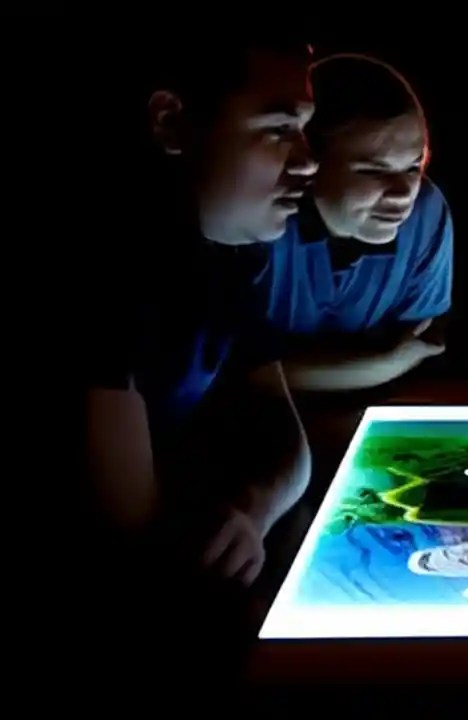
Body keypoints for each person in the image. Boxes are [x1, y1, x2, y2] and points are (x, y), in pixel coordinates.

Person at [83, 38, 317, 588]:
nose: (309, 159)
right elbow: (136, 536)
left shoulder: (232, 256)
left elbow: (283, 437)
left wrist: (251, 514)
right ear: (171, 124)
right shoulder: (102, 279)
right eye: (279, 128)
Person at [257, 53, 453, 392]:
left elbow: (425, 346)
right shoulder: (258, 219)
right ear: (308, 163)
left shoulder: (425, 213)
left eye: (413, 167)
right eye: (373, 171)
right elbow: (238, 375)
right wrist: (387, 361)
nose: (402, 193)